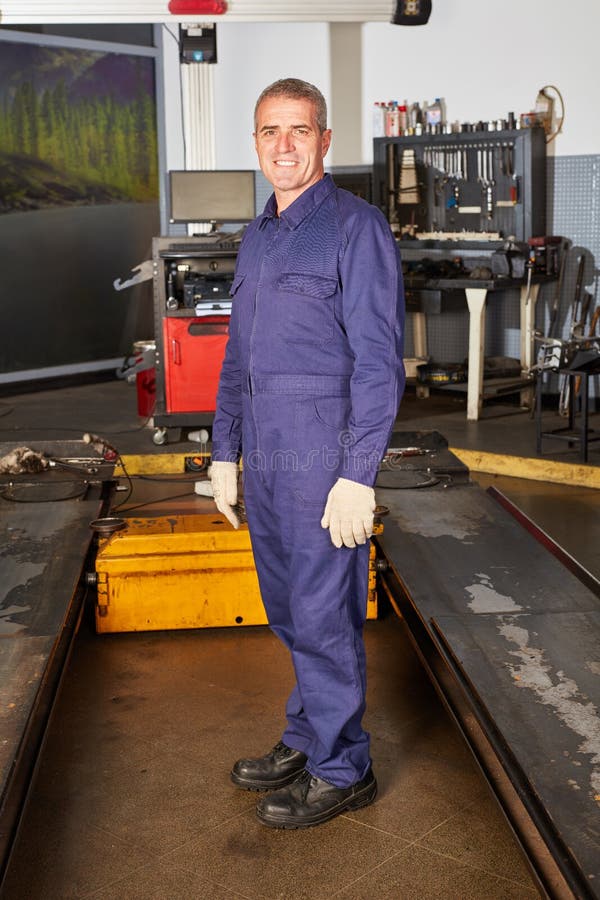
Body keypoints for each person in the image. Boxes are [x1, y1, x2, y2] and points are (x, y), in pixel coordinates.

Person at [209, 77, 405, 829]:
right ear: (256, 142)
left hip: (323, 460)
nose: (283, 145)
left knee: (324, 618)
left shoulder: (357, 228)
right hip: (265, 454)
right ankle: (306, 734)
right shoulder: (258, 235)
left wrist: (358, 475)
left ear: (325, 140)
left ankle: (343, 767)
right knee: (290, 610)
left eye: (299, 130)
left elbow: (378, 365)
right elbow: (239, 356)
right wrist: (223, 451)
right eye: (269, 131)